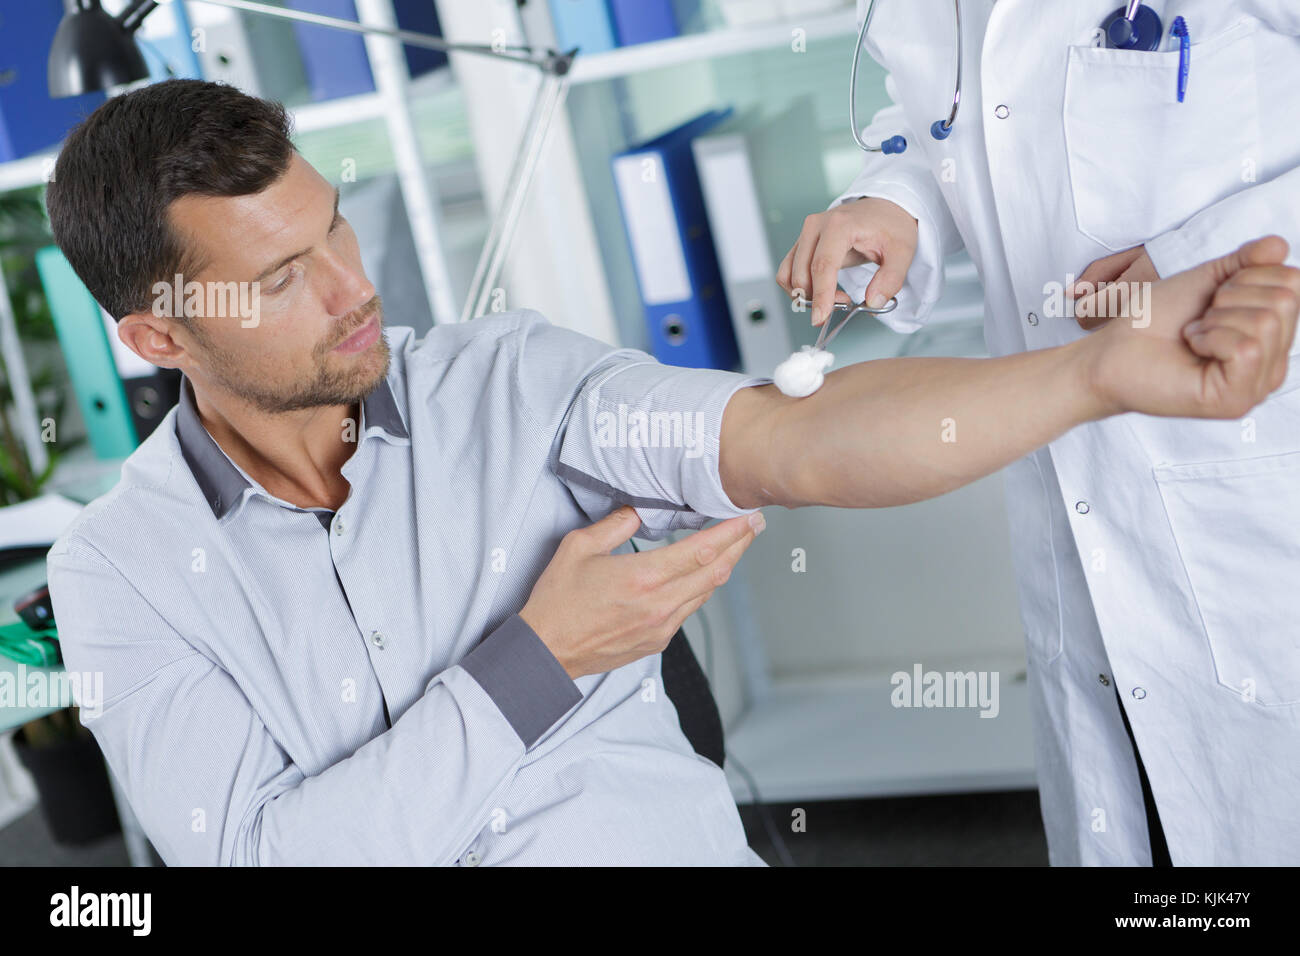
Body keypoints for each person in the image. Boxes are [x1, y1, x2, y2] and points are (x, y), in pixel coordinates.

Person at [43, 79, 1296, 865]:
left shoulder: (505, 383)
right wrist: (536, 662)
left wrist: (1100, 376)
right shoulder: (119, 572)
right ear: (157, 336)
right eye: (279, 279)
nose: (352, 287)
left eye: (336, 228)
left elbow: (789, 436)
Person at [778, 0, 1300, 865]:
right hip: (1075, 497)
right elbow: (946, 116)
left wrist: (1208, 255)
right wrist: (893, 197)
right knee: (1151, 829)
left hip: (1251, 461)